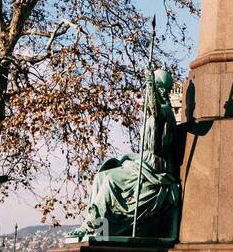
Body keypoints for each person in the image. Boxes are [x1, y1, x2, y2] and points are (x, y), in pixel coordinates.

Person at [72, 67, 180, 239]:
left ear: (158, 90)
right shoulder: (151, 115)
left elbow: (157, 111)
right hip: (143, 161)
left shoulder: (165, 112)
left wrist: (150, 82)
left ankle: (100, 231)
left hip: (155, 167)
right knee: (101, 176)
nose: (146, 94)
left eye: (150, 90)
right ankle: (95, 227)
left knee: (110, 181)